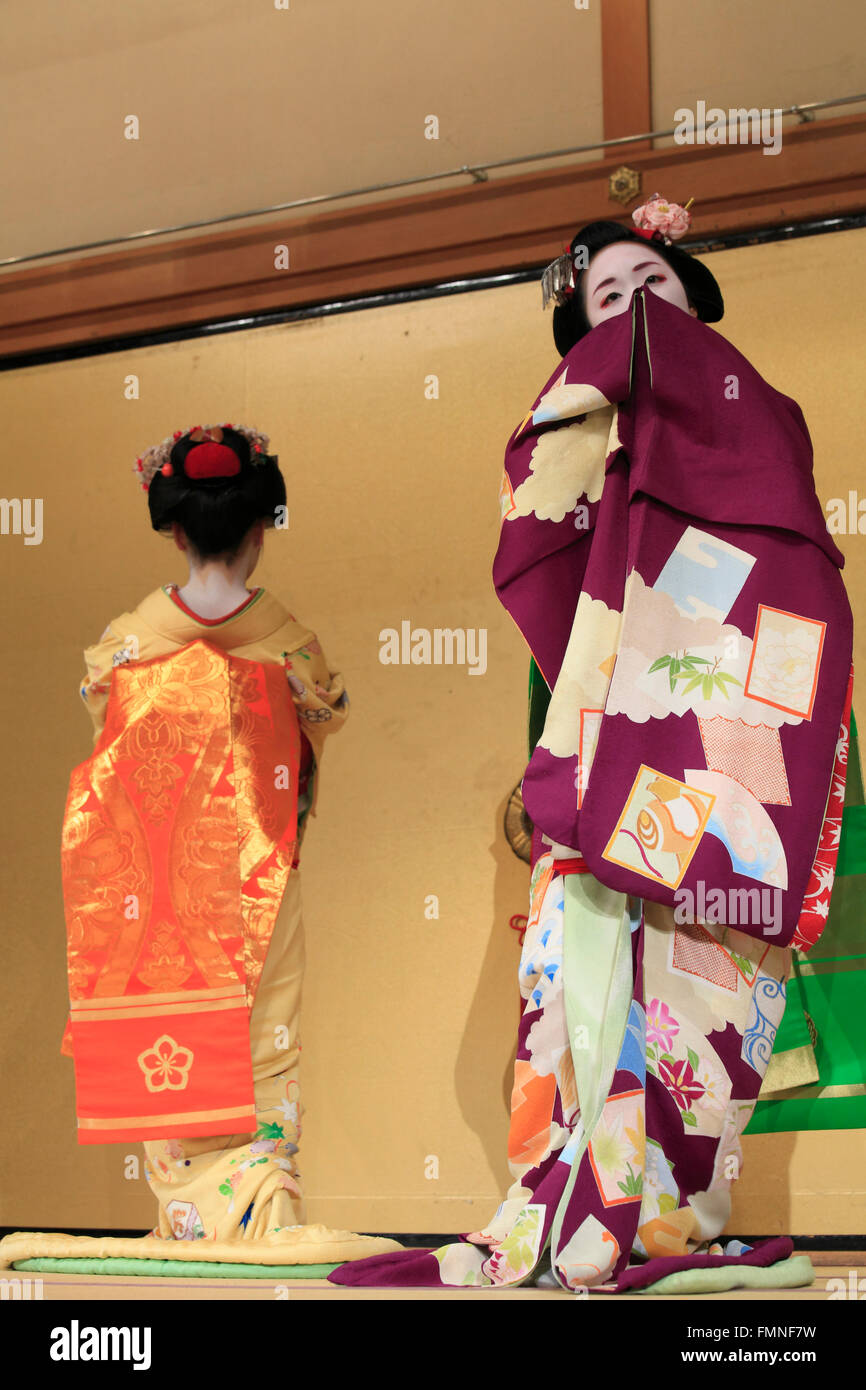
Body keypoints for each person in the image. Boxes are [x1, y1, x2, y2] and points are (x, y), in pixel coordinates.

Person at [330, 196, 854, 1294]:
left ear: (697, 303)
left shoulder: (765, 416)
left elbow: (799, 591)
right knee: (579, 969)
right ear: (578, 335)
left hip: (733, 733)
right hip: (607, 726)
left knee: (708, 985)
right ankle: (571, 1207)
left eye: (652, 288)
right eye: (606, 299)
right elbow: (539, 534)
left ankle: (675, 1218)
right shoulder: (583, 428)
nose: (633, 312)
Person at [59, 423, 355, 1245]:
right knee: (266, 1038)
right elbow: (316, 729)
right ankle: (265, 1213)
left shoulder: (128, 644)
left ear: (175, 529)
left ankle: (186, 1226)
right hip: (262, 877)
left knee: (172, 1034)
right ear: (262, 529)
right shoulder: (291, 646)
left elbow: (108, 756)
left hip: (156, 892)